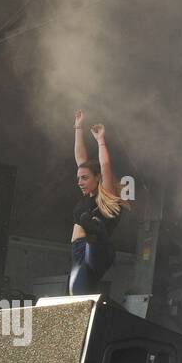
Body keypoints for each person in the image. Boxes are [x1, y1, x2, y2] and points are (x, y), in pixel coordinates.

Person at [71, 111, 127, 295]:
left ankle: (94, 231)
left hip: (98, 249)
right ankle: (92, 230)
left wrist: (100, 141)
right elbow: (80, 159)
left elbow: (105, 166)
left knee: (93, 235)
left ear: (98, 178)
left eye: (85, 178)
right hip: (78, 252)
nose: (80, 182)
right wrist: (78, 127)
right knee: (78, 291)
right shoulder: (86, 198)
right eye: (79, 178)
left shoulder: (106, 194)